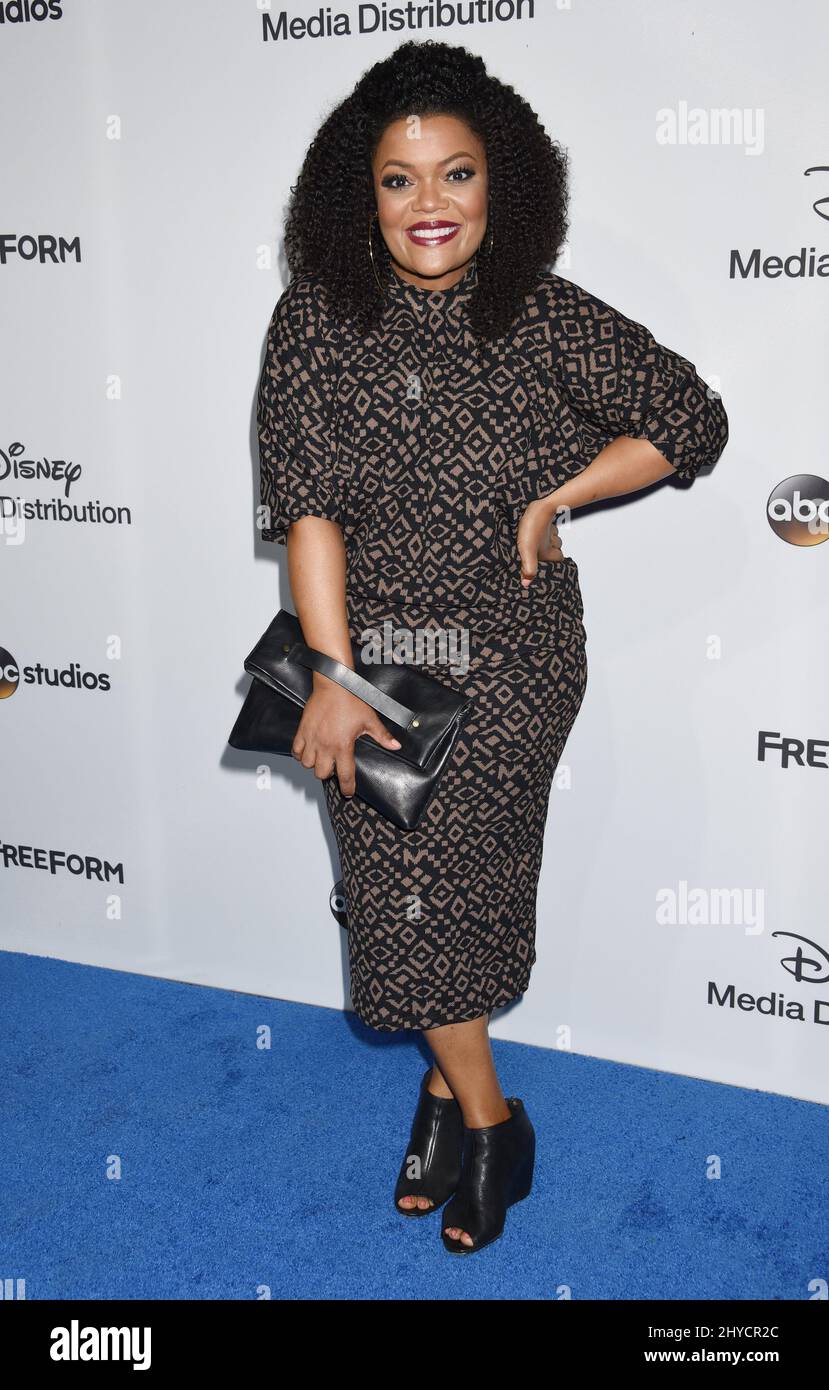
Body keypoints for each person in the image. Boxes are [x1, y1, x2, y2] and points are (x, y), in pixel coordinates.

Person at [254, 39, 729, 1255]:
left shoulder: (538, 313)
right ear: (356, 195)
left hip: (512, 658)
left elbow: (689, 418)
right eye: (399, 179)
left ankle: (485, 1122)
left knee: (443, 899)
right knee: (391, 902)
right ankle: (466, 1101)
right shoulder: (316, 319)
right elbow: (308, 511)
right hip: (370, 652)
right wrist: (335, 678)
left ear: (499, 184)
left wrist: (553, 498)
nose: (429, 205)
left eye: (456, 174)